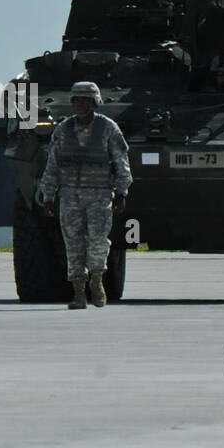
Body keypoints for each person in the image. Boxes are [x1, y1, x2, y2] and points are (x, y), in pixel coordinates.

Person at [37, 81, 132, 309]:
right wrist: (48, 196)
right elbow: (52, 166)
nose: (80, 104)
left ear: (95, 102)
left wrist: (121, 192)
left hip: (100, 195)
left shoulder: (108, 128)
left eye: (85, 100)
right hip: (69, 195)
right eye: (77, 100)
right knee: (73, 244)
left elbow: (121, 163)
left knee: (98, 241)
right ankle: (78, 291)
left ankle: (97, 280)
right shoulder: (63, 129)